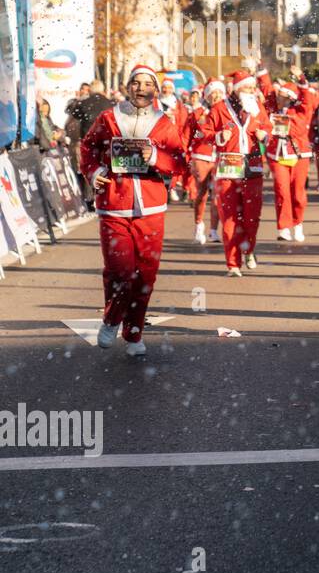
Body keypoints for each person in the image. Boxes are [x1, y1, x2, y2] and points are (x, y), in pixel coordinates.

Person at [78, 64, 188, 355]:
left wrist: (157, 157)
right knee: (120, 271)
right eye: (136, 83)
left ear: (155, 89)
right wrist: (94, 171)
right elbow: (87, 148)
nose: (141, 88)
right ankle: (112, 319)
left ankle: (134, 332)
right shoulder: (108, 117)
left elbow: (179, 161)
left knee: (146, 275)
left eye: (147, 84)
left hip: (151, 207)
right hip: (114, 206)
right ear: (128, 87)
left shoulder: (164, 123)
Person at [200, 70, 271, 276]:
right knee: (229, 217)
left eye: (252, 87)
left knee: (251, 217)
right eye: (248, 87)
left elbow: (270, 130)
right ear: (237, 89)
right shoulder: (219, 108)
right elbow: (202, 132)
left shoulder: (257, 109)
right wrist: (218, 135)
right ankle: (232, 264)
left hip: (252, 169)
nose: (252, 91)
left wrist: (264, 135)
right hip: (227, 170)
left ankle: (248, 250)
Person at [259, 68, 319, 242]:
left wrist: (301, 77)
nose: (277, 97)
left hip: (299, 155)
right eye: (278, 95)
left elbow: (307, 99)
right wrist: (260, 70)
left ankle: (298, 222)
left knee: (298, 194)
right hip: (276, 155)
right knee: (281, 191)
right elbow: (266, 89)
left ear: (290, 98)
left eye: (281, 96)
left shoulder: (302, 110)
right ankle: (284, 226)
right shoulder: (272, 107)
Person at [186, 79, 227, 245]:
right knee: (202, 193)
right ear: (207, 95)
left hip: (221, 156)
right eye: (212, 93)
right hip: (201, 155)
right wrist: (187, 152)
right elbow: (189, 135)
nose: (216, 96)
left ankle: (213, 230)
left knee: (218, 195)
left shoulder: (228, 112)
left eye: (219, 92)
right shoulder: (198, 113)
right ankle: (199, 224)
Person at [68, 80, 115, 204]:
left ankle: (90, 198)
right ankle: (105, 195)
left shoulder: (83, 104)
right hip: (107, 140)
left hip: (89, 140)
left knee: (90, 167)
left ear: (90, 90)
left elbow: (74, 116)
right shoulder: (110, 103)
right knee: (106, 168)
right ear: (102, 90)